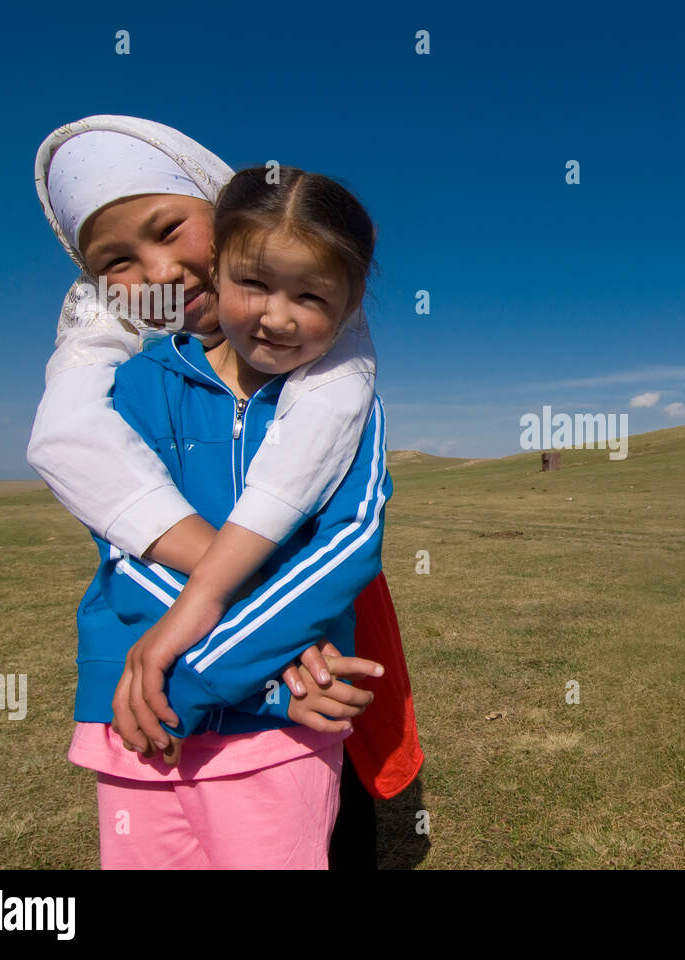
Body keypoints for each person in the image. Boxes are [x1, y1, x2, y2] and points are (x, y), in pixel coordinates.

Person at [28, 117, 422, 866]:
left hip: (283, 684)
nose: (159, 274)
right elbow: (126, 540)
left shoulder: (330, 386)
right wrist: (277, 660)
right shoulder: (128, 389)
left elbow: (348, 534)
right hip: (155, 699)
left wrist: (254, 668)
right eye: (117, 260)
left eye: (169, 228)